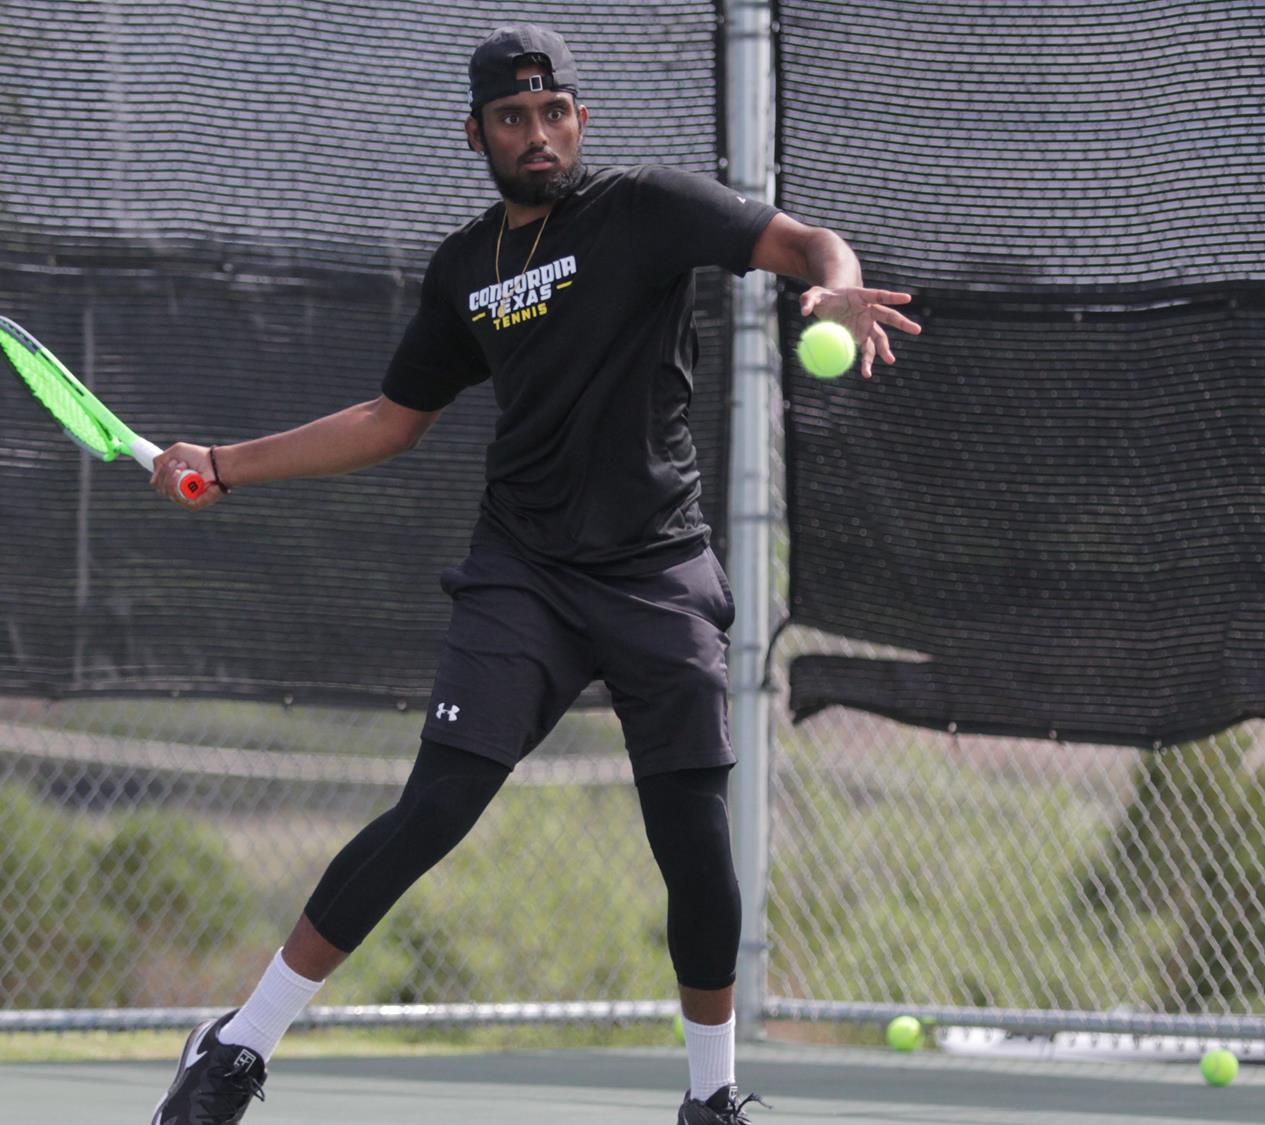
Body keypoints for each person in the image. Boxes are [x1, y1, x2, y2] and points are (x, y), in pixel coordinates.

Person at [146, 24, 921, 1125]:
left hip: (657, 571)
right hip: (525, 573)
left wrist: (839, 290)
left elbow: (803, 243)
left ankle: (710, 1097)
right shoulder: (465, 270)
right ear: (475, 136)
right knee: (436, 807)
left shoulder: (645, 210)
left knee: (694, 844)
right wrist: (223, 465)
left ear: (578, 119)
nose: (538, 132)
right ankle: (237, 1044)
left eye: (553, 111)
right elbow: (390, 418)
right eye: (512, 118)